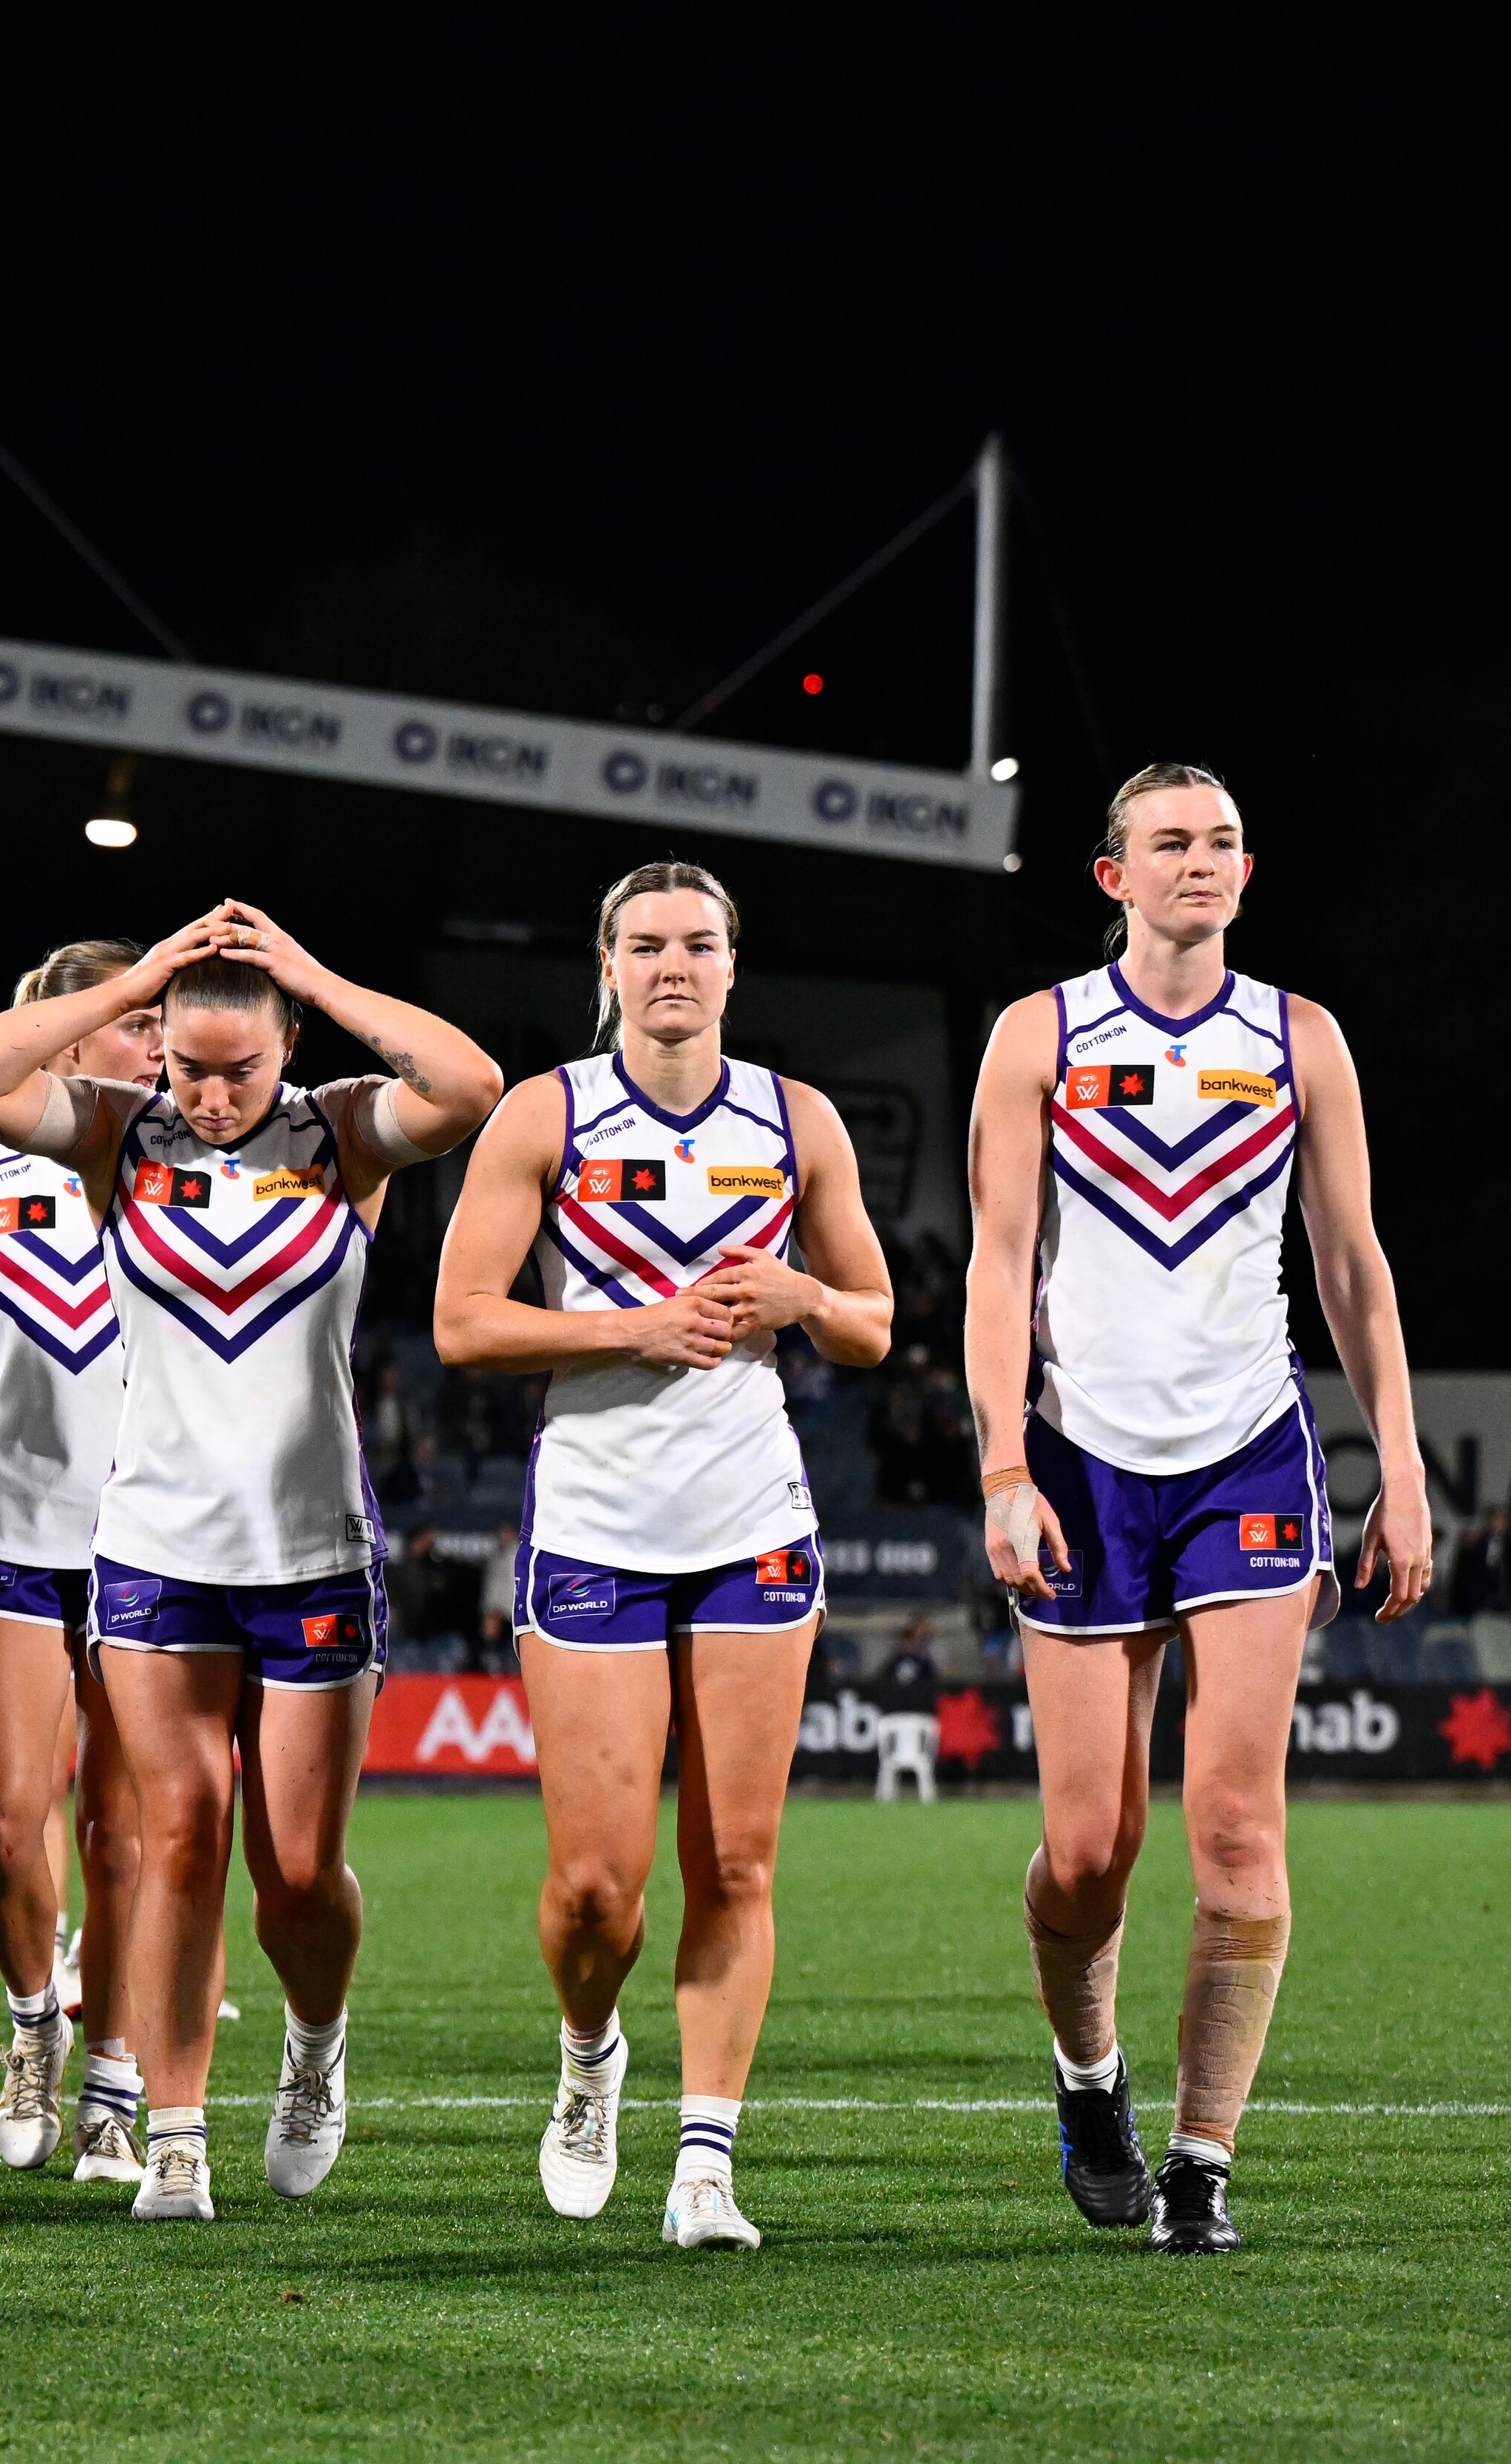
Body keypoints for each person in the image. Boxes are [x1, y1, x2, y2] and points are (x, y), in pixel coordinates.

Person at [0, 900, 498, 2223]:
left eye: (242, 1064)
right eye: (190, 1062)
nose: (214, 1089)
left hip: (310, 1550)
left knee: (298, 1870)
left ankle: (312, 2041)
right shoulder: (123, 1137)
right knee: (181, 1834)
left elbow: (469, 1082)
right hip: (154, 1549)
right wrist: (136, 981)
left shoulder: (345, 1133)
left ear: (289, 1045)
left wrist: (308, 970)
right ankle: (175, 2126)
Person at [965, 763, 1429, 2256]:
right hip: (1082, 1462)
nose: (1202, 860)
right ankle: (1087, 2073)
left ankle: (1201, 2161)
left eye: (1223, 839)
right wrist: (997, 1462)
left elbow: (1351, 1266)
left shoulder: (1302, 1037)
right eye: (1170, 840)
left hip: (1245, 1457)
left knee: (1234, 1826)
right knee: (1090, 1846)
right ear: (1111, 875)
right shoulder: (1038, 1032)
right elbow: (995, 1260)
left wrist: (1399, 1465)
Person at [432, 860, 894, 2253]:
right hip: (596, 1524)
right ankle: (589, 2052)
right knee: (596, 1890)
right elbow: (462, 1320)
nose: (674, 964)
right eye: (647, 943)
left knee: (737, 1860)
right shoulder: (546, 1111)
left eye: (699, 942)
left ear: (734, 966)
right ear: (609, 962)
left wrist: (807, 1294)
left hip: (753, 1520)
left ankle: (706, 2159)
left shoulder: (797, 1117)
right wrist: (630, 1327)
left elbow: (870, 1323)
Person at [0, 938, 163, 2183]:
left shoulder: (187, 1158)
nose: (160, 1043)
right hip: (9, 1523)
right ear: (71, 1030)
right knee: (7, 1826)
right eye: (136, 1022)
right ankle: (33, 2024)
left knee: (124, 1830)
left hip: (155, 1538)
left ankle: (115, 2082)